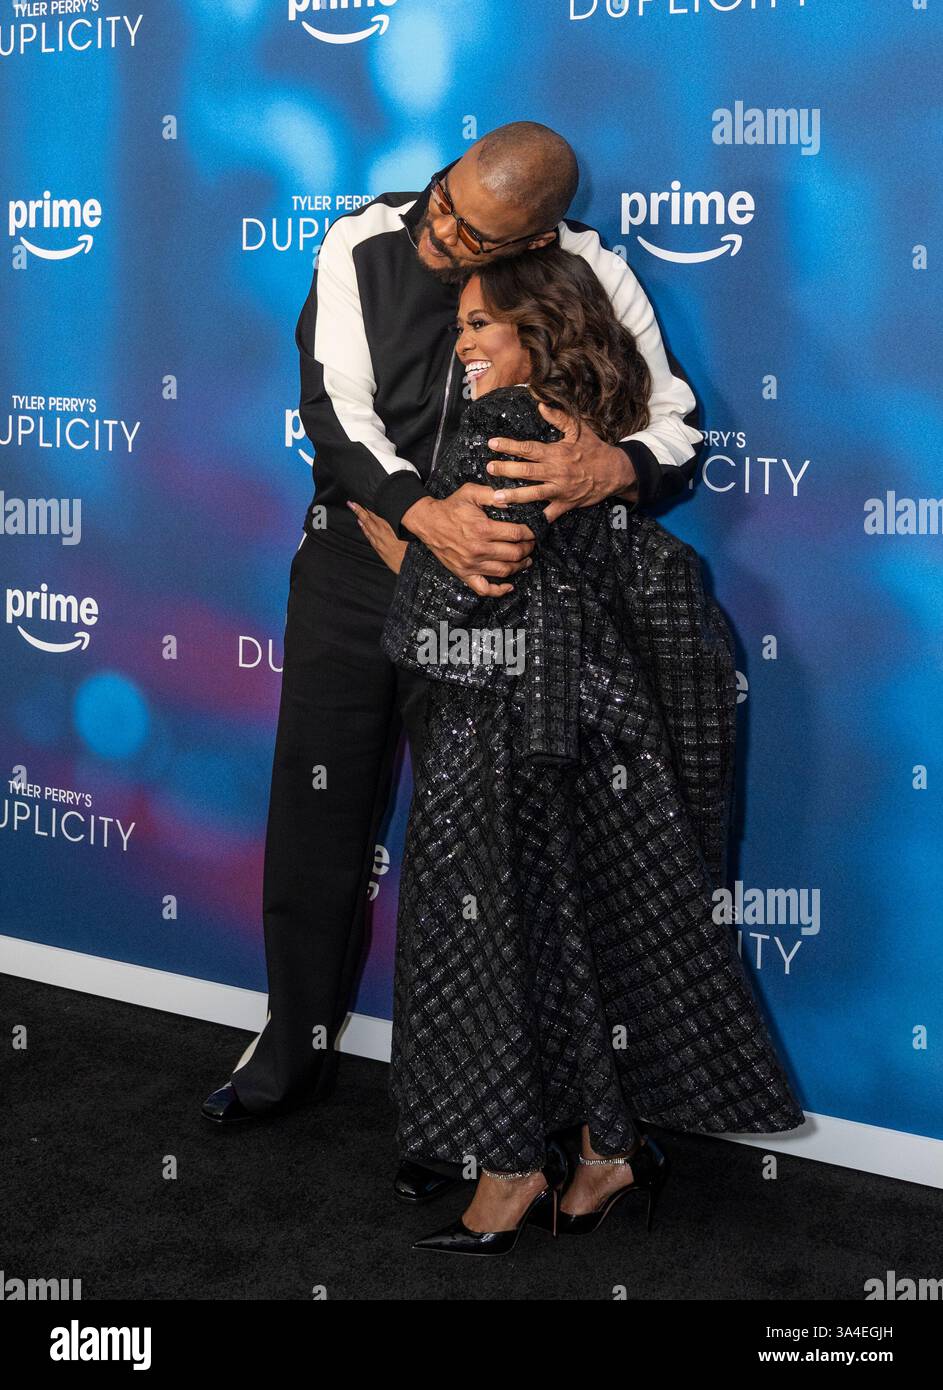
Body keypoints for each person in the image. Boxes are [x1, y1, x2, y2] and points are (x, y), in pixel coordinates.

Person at [201, 122, 706, 1206]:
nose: (440, 236)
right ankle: (286, 1053)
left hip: (504, 594)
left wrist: (608, 465)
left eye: (472, 234)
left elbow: (677, 430)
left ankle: (465, 1116)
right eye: (441, 205)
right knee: (316, 820)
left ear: (530, 233)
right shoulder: (362, 241)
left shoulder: (589, 268)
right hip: (362, 563)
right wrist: (419, 516)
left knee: (474, 863)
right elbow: (332, 413)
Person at [359, 247, 805, 1256]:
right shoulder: (586, 429)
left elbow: (447, 613)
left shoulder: (498, 428)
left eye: (479, 324)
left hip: (505, 736)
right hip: (596, 728)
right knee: (583, 930)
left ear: (537, 333)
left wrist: (395, 537)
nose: (460, 342)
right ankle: (608, 1149)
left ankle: (511, 1171)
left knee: (485, 945)